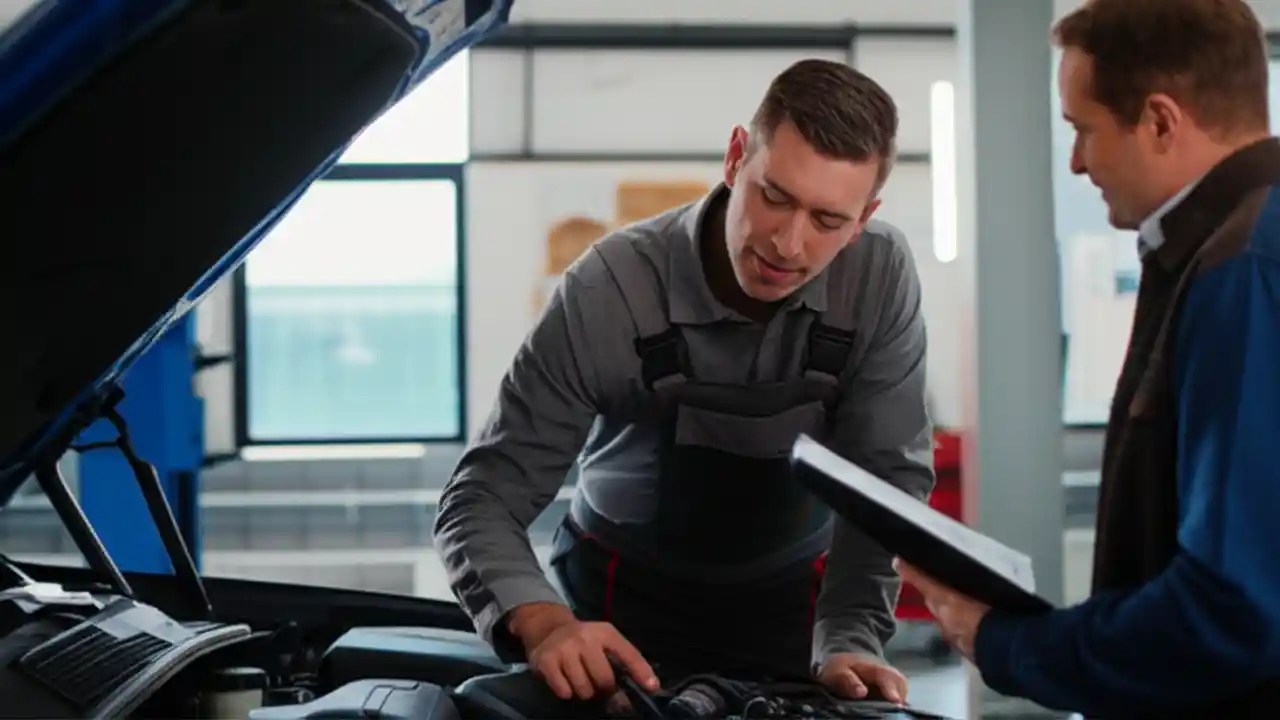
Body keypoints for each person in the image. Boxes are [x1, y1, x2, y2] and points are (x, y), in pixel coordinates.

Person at [433, 58, 935, 711]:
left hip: (795, 618)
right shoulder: (612, 287)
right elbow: (482, 497)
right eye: (775, 196)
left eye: (827, 221)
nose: (789, 243)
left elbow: (885, 480)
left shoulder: (878, 277)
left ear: (864, 217)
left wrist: (852, 634)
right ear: (735, 158)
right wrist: (546, 624)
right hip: (615, 616)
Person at [899, 0, 1280, 717]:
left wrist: (1011, 644)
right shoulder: (1219, 251)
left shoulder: (1246, 270)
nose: (1076, 162)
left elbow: (1231, 609)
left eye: (1083, 130)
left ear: (1160, 121)